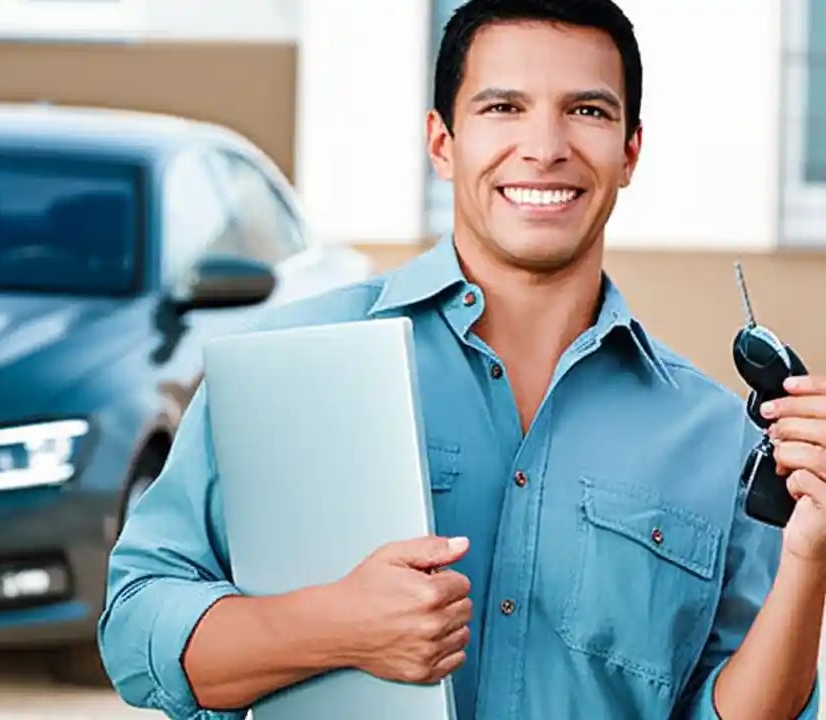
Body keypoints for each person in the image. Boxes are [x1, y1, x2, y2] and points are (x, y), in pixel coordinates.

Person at [97, 0, 826, 717]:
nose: (545, 147)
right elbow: (136, 631)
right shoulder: (281, 364)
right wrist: (332, 628)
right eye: (503, 108)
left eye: (588, 111)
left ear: (630, 151)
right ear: (442, 143)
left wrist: (808, 557)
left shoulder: (718, 438)